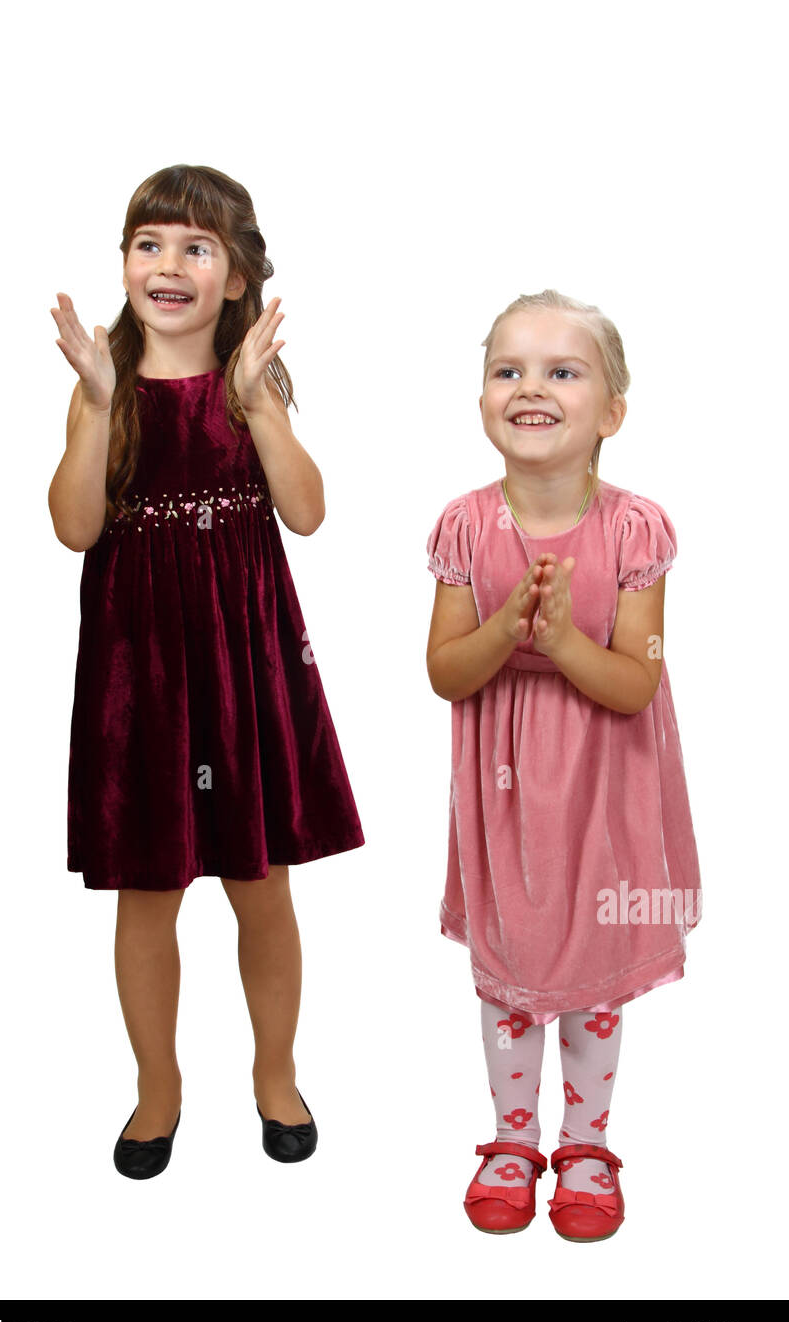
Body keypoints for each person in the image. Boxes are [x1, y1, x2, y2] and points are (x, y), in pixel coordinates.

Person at [48, 164, 364, 1179]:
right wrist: (97, 406)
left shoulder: (252, 383)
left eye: (195, 246)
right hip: (140, 669)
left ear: (235, 279)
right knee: (146, 892)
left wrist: (258, 406)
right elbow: (74, 526)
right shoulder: (101, 387)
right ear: (125, 263)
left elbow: (308, 513)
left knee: (258, 881)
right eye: (149, 243)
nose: (167, 263)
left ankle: (276, 1073)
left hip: (242, 660)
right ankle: (157, 1087)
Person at [425, 289, 701, 1240]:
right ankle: (511, 1140)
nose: (530, 387)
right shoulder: (466, 526)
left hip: (602, 795)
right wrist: (509, 628)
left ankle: (586, 1146)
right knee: (509, 971)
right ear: (482, 401)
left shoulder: (634, 532)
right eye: (509, 369)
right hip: (504, 800)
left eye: (561, 370)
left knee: (588, 973)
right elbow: (444, 674)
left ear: (611, 413)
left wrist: (563, 640)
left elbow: (636, 683)